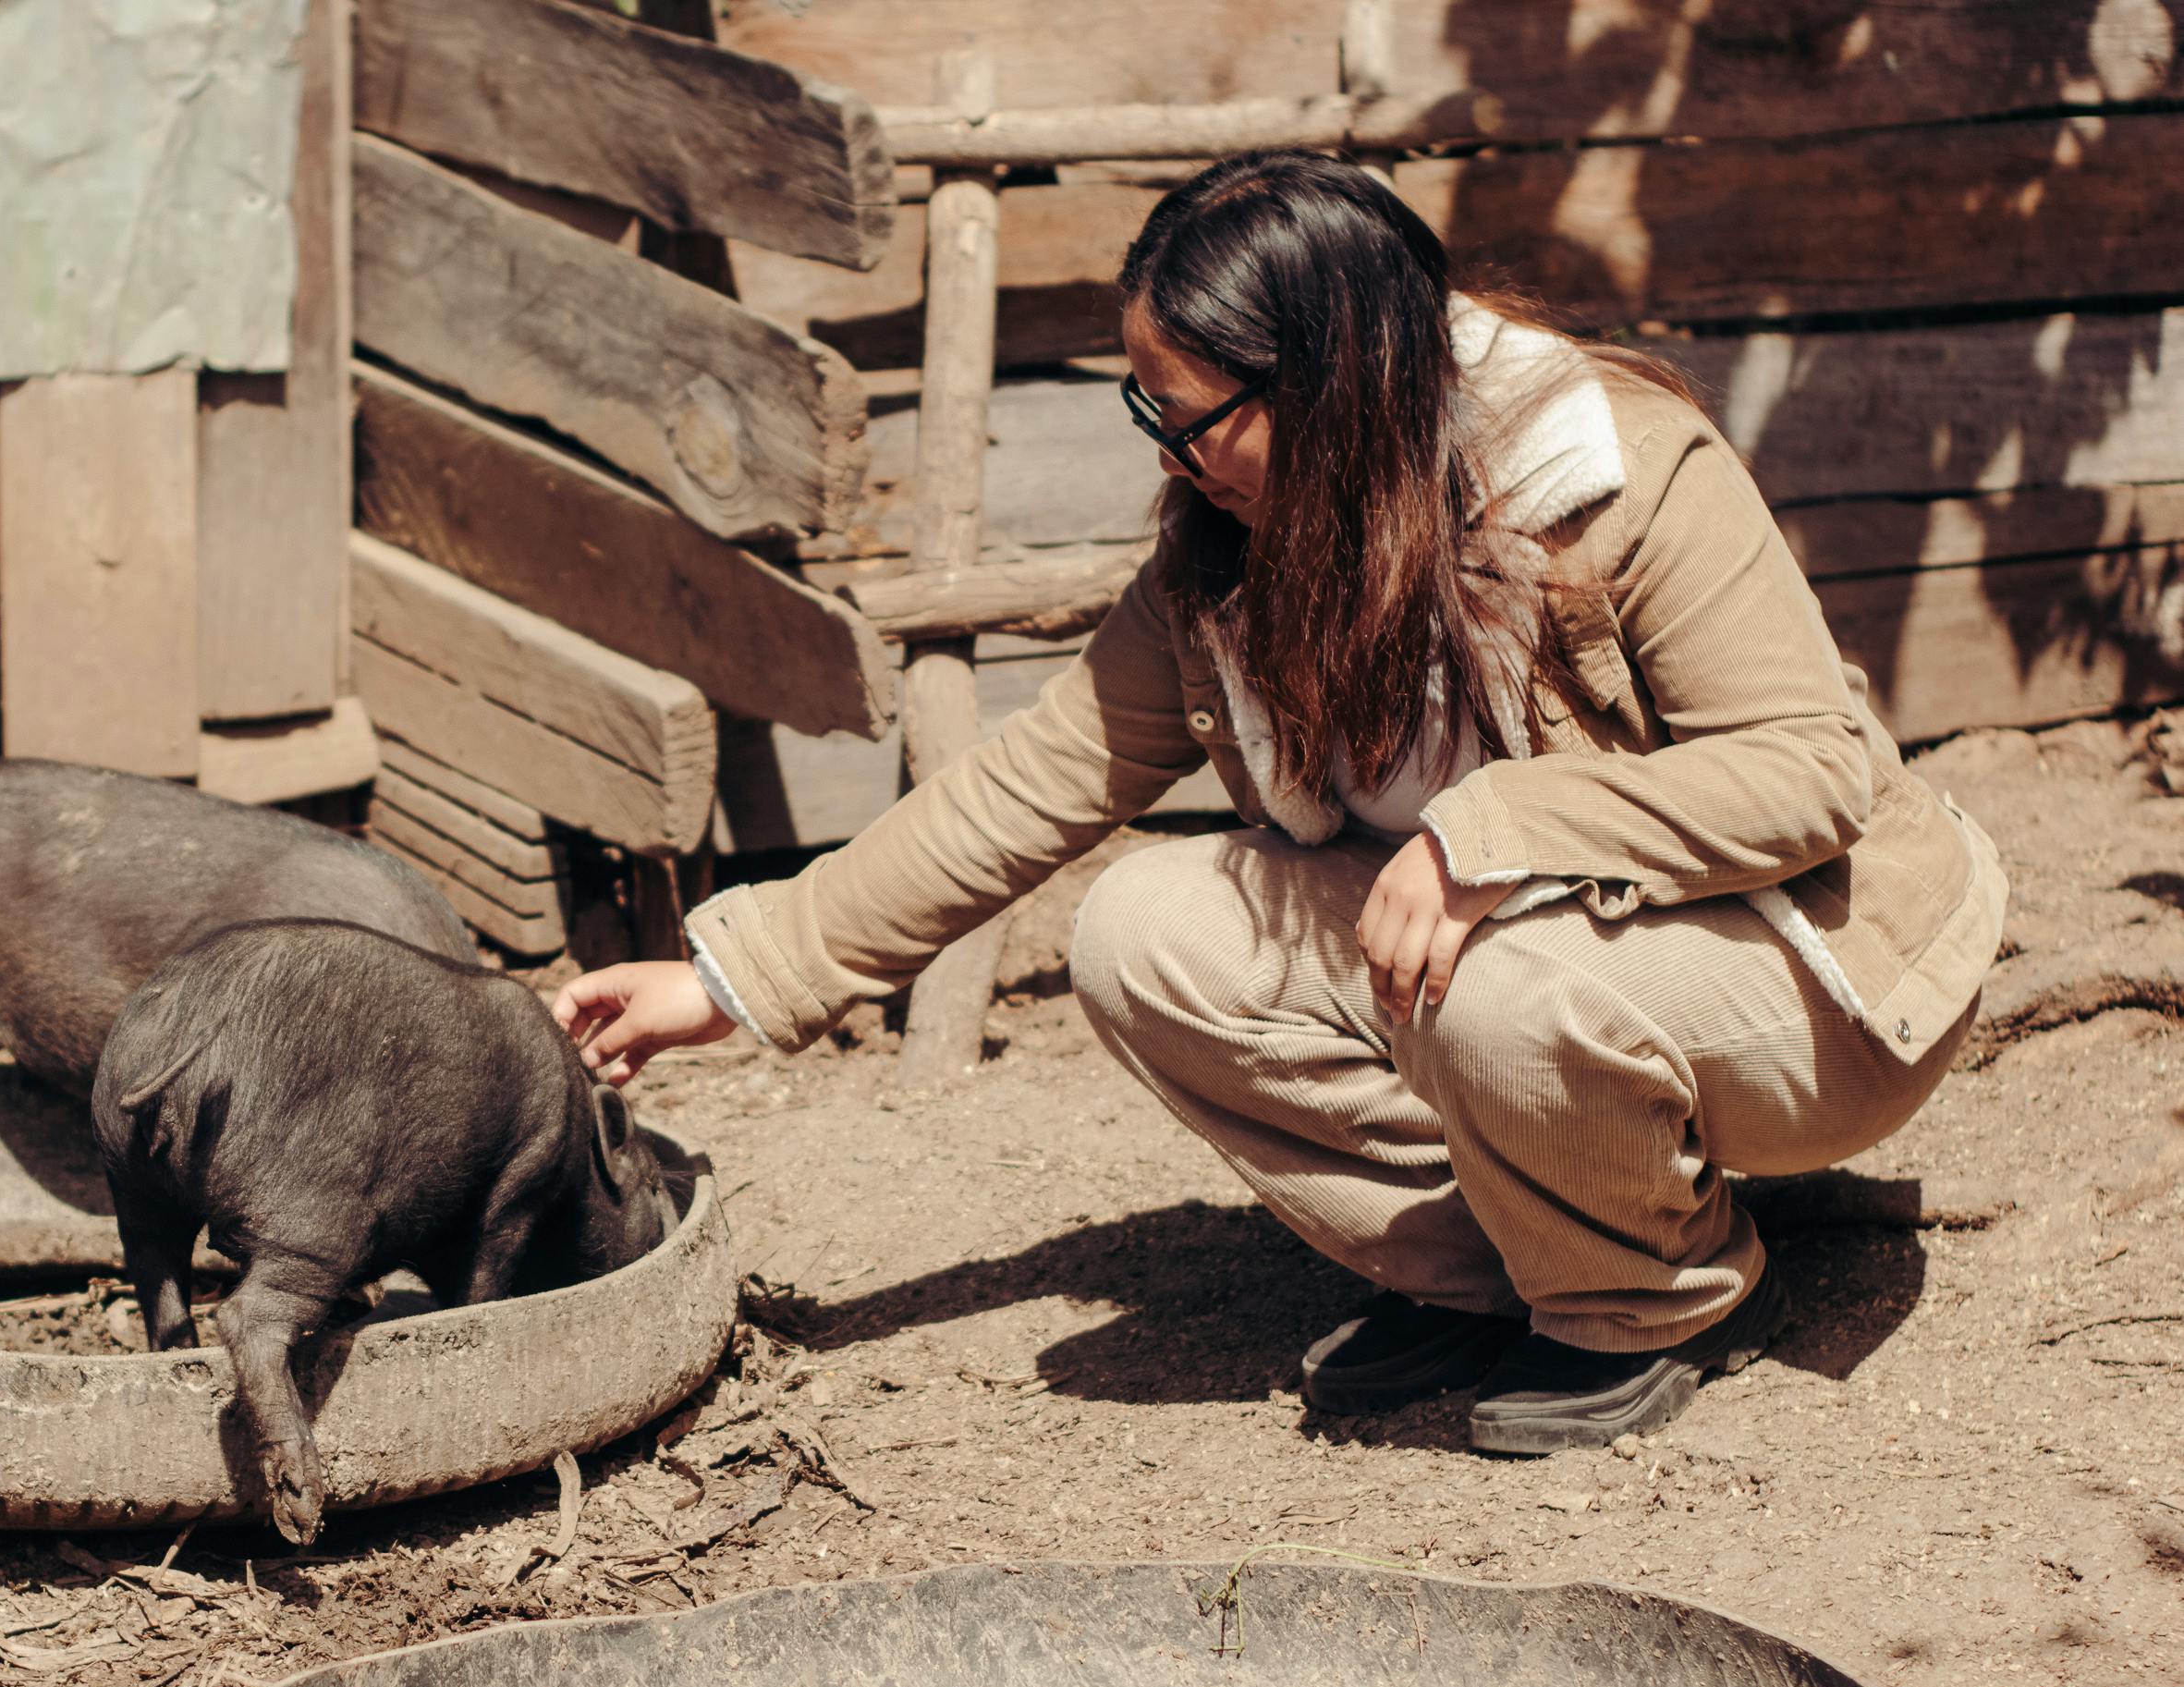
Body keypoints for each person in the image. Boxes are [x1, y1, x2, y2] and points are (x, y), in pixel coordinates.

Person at [553, 149, 2006, 1453]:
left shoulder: (1609, 473)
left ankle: (1650, 1294)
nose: (1162, 450)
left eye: (1186, 414)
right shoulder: (1229, 557)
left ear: (1332, 382)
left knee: (1496, 983)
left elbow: (1806, 774)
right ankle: (1507, 1261)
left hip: (1809, 973)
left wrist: (1487, 833)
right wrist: (736, 979)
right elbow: (1028, 785)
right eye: (1142, 406)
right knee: (1146, 930)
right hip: (1543, 965)